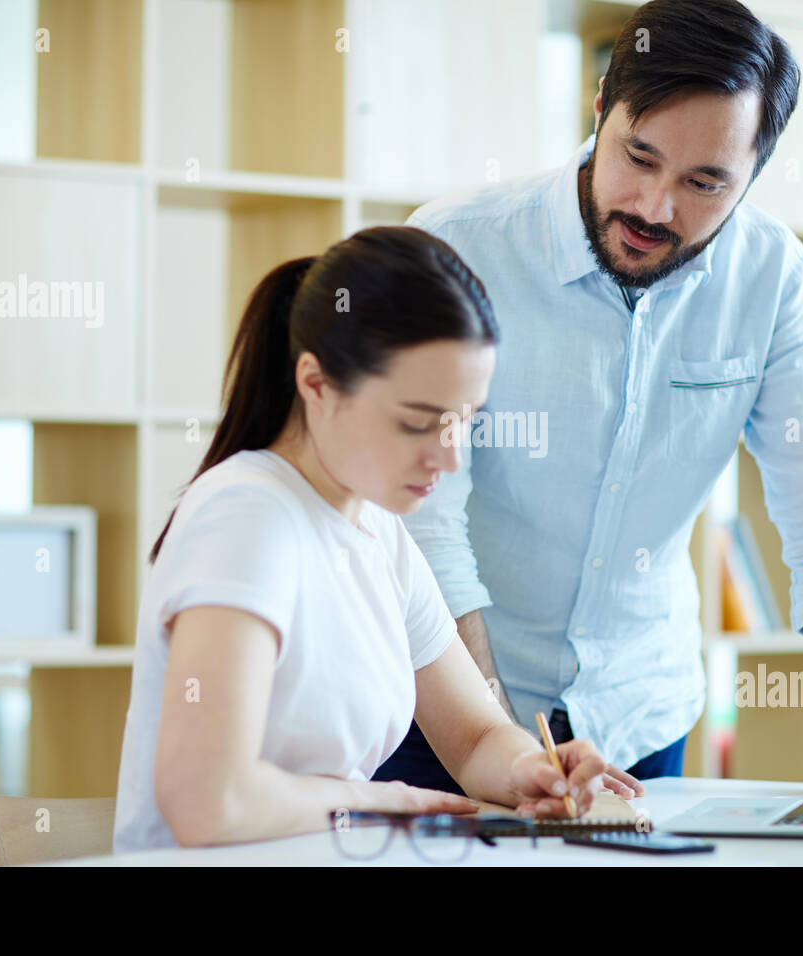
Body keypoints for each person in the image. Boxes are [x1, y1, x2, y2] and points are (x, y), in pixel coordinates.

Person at [375, 0, 803, 802]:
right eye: (638, 158)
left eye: (704, 182)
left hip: (641, 725)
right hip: (441, 714)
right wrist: (500, 748)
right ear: (600, 105)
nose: (654, 208)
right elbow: (425, 524)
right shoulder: (459, 247)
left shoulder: (770, 278)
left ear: (753, 173)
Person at [113, 227, 607, 852]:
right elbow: (209, 803)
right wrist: (384, 802)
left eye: (464, 422)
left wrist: (526, 770)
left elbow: (475, 737)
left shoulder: (378, 530)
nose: (450, 459)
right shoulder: (246, 516)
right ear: (316, 385)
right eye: (418, 422)